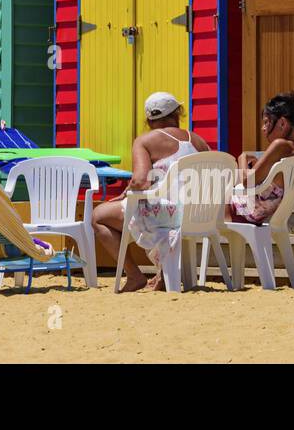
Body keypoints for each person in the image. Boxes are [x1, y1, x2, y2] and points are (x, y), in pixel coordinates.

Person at [91, 92, 213, 292]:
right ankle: (163, 274)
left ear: (148, 119)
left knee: (98, 216)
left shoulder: (145, 140)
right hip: (200, 214)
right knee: (149, 206)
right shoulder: (198, 141)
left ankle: (134, 275)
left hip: (169, 216)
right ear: (178, 113)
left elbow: (140, 181)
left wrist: (125, 193)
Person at [228, 90, 294, 225]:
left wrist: (242, 158)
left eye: (266, 122)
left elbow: (248, 182)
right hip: (268, 211)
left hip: (251, 211)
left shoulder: (280, 145)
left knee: (214, 189)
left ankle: (220, 236)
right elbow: (272, 181)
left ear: (282, 123)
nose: (263, 128)